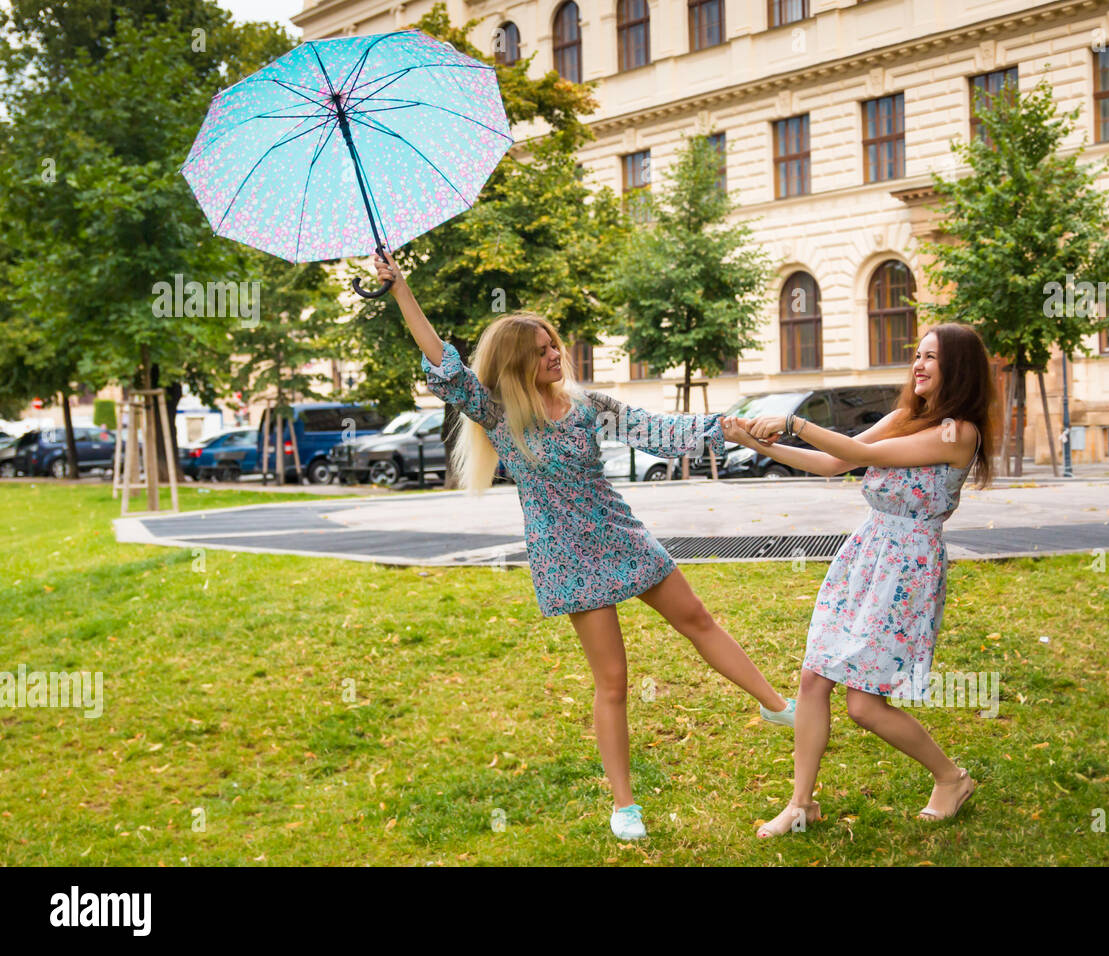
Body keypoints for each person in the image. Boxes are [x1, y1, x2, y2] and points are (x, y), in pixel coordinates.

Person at [372, 250, 796, 841]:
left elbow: (662, 431)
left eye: (554, 344)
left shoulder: (588, 407)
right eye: (543, 349)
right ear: (519, 361)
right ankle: (624, 806)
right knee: (614, 682)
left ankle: (775, 705)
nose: (555, 354)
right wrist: (401, 290)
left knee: (697, 617)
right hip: (567, 556)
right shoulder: (499, 413)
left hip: (619, 535)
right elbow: (445, 367)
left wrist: (729, 426)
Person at [720, 323, 995, 837]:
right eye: (917, 354)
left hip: (907, 570)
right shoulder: (902, 417)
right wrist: (759, 444)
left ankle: (951, 778)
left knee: (865, 705)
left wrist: (793, 422)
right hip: (866, 555)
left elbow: (863, 456)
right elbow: (833, 463)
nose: (918, 364)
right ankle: (801, 803)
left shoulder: (959, 433)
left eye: (931, 357)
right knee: (813, 678)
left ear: (958, 368)